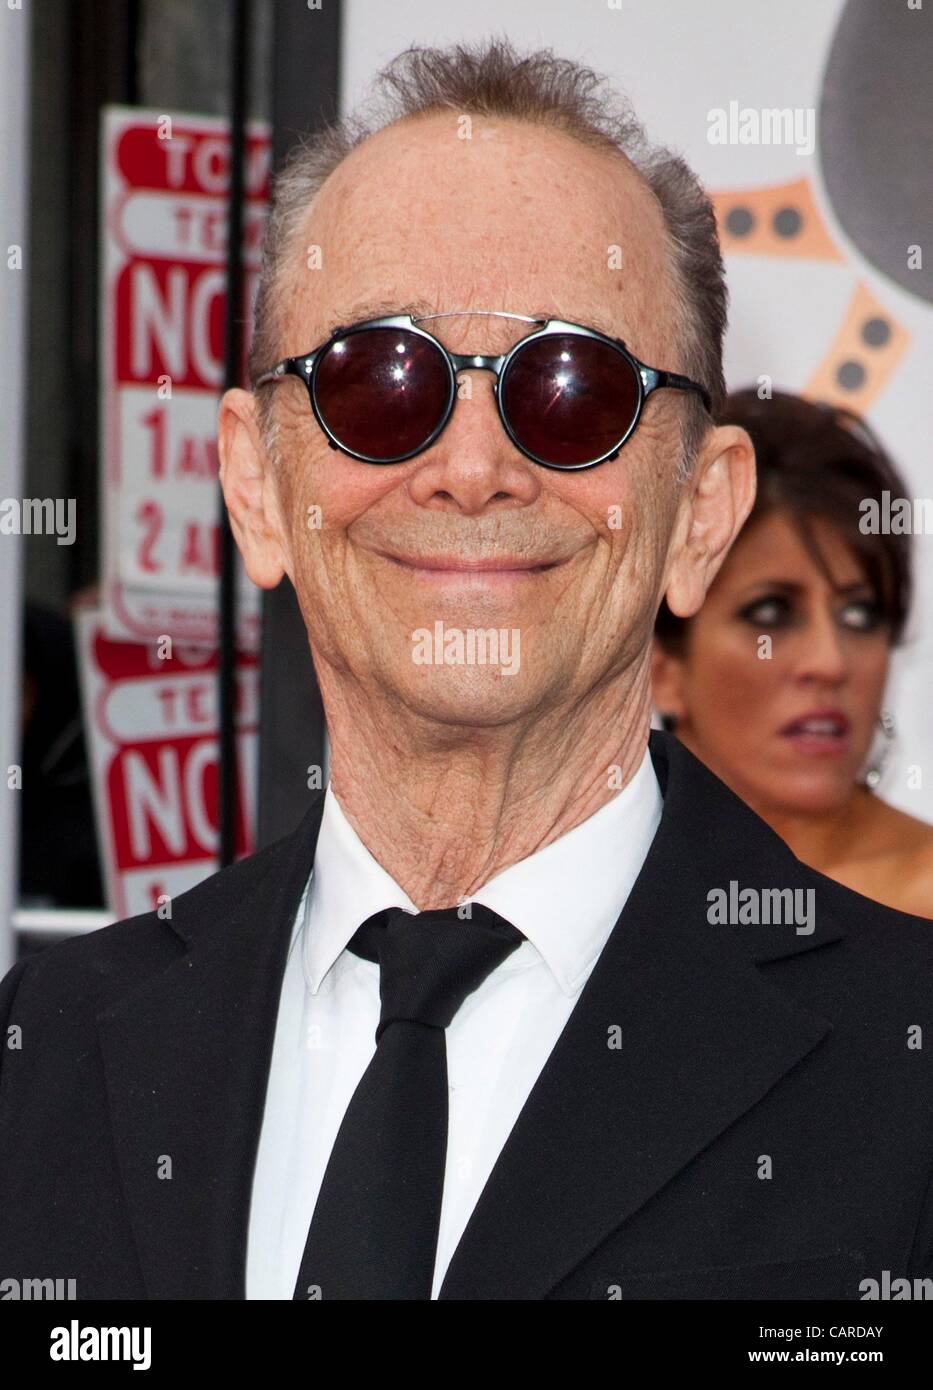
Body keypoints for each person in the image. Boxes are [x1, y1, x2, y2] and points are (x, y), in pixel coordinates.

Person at [2, 39, 932, 1302]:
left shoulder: (906, 1065)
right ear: (256, 487)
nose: (474, 466)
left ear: (699, 515)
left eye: (574, 389)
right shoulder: (44, 1054)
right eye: (383, 382)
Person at [653, 389, 933, 918]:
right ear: (661, 666)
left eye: (860, 617)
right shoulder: (581, 900)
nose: (829, 663)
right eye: (770, 614)